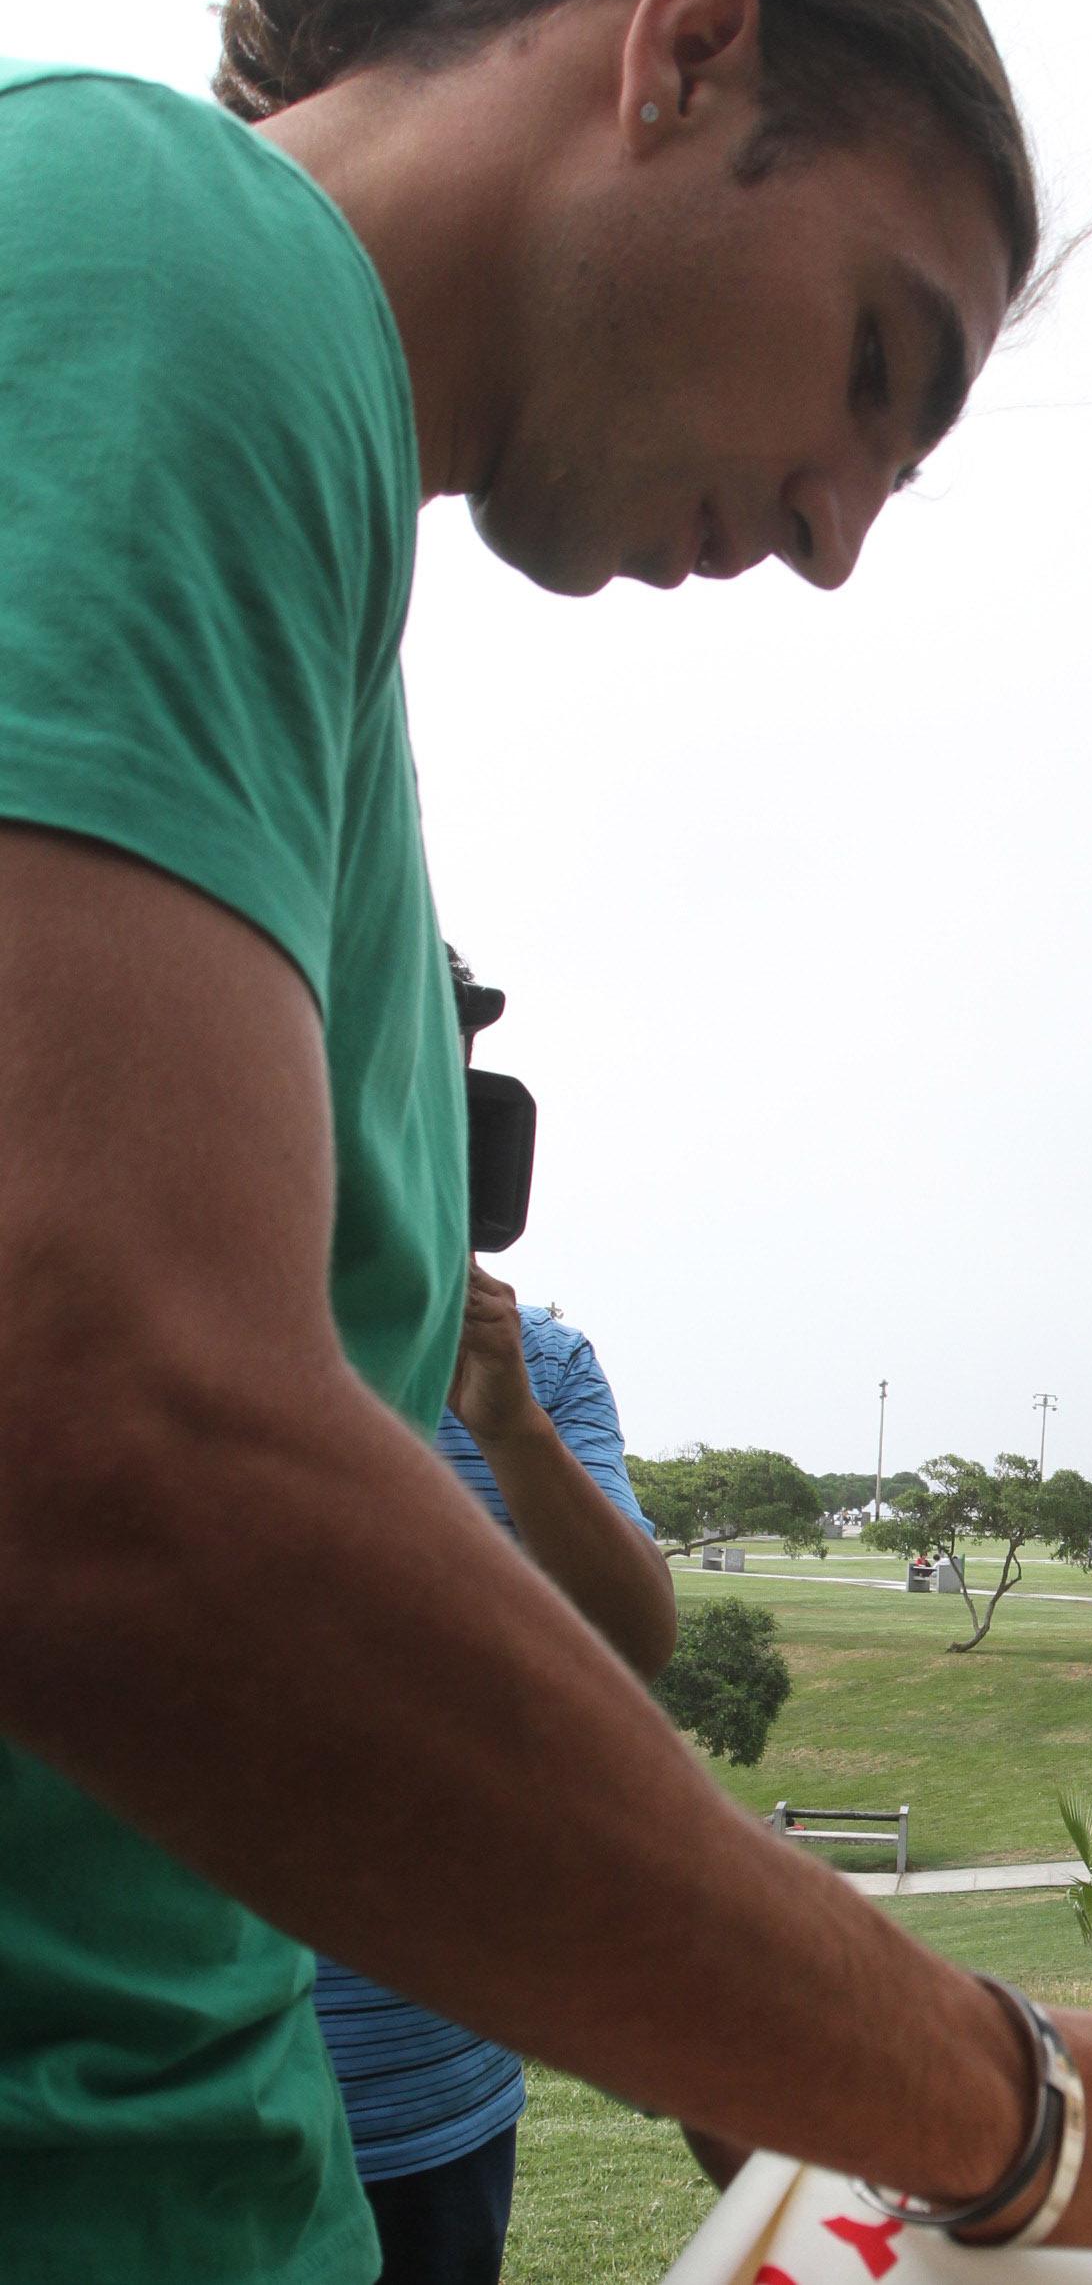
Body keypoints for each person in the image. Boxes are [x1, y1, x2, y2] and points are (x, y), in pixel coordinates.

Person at [0, 0, 1092, 2282]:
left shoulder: (334, 636)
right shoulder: (165, 246)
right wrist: (1006, 2102)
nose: (834, 535)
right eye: (876, 368)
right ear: (682, 58)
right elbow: (113, 1439)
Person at [314, 955, 675, 2283]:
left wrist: (510, 1424)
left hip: (435, 2094)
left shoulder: (549, 1369)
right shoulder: (165, 1339)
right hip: (188, 2093)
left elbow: (639, 1639)